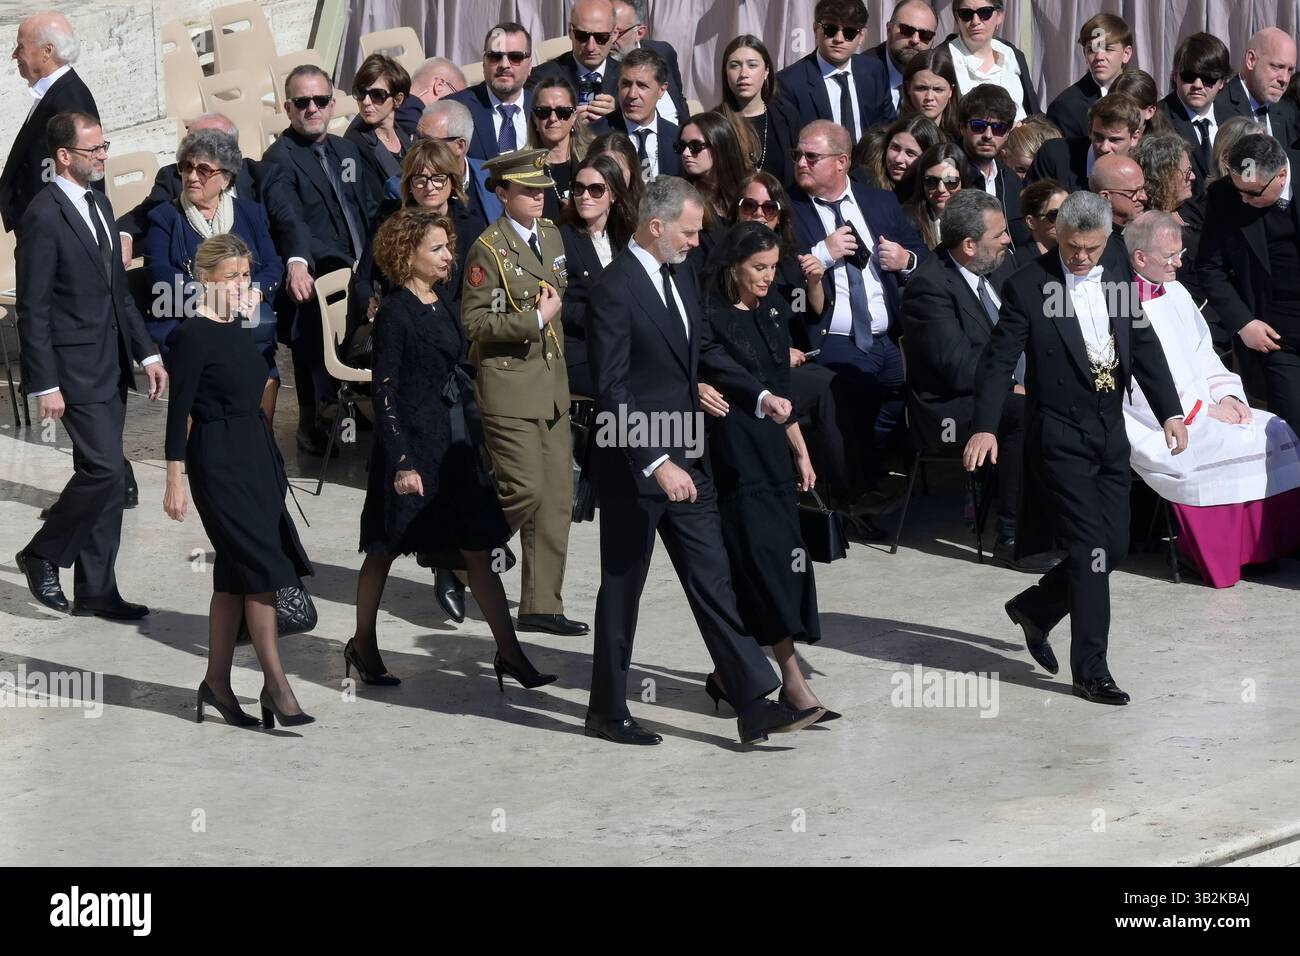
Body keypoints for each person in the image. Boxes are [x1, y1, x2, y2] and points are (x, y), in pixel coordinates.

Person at [585, 174, 825, 745]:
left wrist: (759, 396)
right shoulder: (613, 287)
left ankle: (751, 701)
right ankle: (606, 708)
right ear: (657, 225)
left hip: (689, 454)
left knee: (713, 580)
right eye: (690, 232)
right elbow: (612, 388)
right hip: (636, 462)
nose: (698, 242)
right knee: (624, 586)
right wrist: (654, 462)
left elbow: (705, 351)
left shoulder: (682, 277)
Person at [964, 191, 1188, 706]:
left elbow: (1143, 341)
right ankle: (1091, 669)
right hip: (1059, 436)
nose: (1081, 257)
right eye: (1070, 247)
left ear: (1106, 239)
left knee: (1116, 548)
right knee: (1090, 552)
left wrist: (1169, 411)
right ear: (1055, 236)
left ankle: (1037, 609)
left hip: (1110, 432)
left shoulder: (1115, 272)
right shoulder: (1027, 285)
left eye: (1090, 247)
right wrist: (985, 426)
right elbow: (997, 362)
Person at [350, 208, 557, 689]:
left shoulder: (440, 300)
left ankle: (510, 654)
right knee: (385, 549)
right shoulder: (396, 311)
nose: (449, 256)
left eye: (448, 247)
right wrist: (401, 460)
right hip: (413, 446)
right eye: (437, 249)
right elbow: (384, 390)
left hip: (452, 443)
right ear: (408, 255)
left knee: (478, 549)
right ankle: (363, 644)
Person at [14, 111, 167, 619]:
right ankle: (41, 553)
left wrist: (146, 352)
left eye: (105, 146)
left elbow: (118, 292)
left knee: (100, 476)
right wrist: (44, 385)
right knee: (105, 473)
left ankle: (98, 590)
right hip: (72, 369)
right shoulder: (42, 214)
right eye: (93, 150)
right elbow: (32, 308)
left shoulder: (100, 203)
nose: (104, 156)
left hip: (111, 364)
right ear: (64, 156)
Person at [162, 234, 314, 729]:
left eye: (246, 275)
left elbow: (257, 386)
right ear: (204, 279)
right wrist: (175, 479)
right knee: (262, 571)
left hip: (257, 458)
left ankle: (217, 684)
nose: (242, 284)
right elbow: (177, 412)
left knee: (232, 577)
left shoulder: (240, 329)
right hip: (218, 463)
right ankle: (277, 686)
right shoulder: (190, 337)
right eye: (231, 276)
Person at [698, 222, 837, 718]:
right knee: (762, 565)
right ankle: (792, 682)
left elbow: (780, 386)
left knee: (781, 562)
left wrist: (799, 446)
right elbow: (706, 369)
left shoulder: (777, 308)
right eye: (758, 267)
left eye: (773, 267)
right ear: (734, 266)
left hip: (774, 455)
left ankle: (726, 676)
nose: (767, 276)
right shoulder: (708, 314)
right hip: (732, 456)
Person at [1122, 210, 1300, 588]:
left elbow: (1205, 355)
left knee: (1275, 429)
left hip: (1208, 404)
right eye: (1170, 257)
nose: (1180, 262)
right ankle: (1213, 555)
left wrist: (1230, 396)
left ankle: (1262, 548)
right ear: (1140, 258)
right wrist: (1202, 410)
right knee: (1224, 443)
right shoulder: (1120, 303)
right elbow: (1136, 384)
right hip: (1161, 419)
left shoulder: (1177, 291)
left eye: (1180, 253)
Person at [460, 148, 588, 637]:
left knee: (557, 498)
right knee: (524, 489)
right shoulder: (487, 250)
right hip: (510, 387)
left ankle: (540, 604)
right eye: (527, 191)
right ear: (502, 194)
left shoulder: (552, 236)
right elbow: (475, 322)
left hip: (552, 386)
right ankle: (458, 554)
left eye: (542, 190)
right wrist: (534, 319)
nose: (538, 198)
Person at [901, 190, 1056, 573]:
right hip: (950, 409)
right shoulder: (930, 287)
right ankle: (1012, 536)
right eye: (999, 234)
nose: (1009, 240)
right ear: (969, 245)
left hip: (1005, 388)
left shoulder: (999, 268)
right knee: (1021, 412)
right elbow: (956, 366)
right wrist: (1012, 386)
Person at [790, 120, 927, 523]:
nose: (801, 162)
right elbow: (775, 273)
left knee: (904, 399)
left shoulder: (879, 202)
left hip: (887, 337)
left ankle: (870, 475)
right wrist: (824, 252)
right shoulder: (788, 209)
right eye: (798, 154)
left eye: (811, 156)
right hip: (831, 335)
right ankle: (855, 492)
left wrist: (906, 261)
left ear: (841, 162)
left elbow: (923, 254)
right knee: (849, 400)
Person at [262, 65, 380, 457]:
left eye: (321, 100)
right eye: (302, 102)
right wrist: (329, 260)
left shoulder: (347, 150)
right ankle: (312, 419)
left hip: (363, 263)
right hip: (320, 268)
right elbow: (288, 220)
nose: (312, 109)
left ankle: (361, 406)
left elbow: (366, 208)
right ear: (288, 107)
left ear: (332, 104)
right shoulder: (278, 158)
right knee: (312, 343)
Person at [140, 129, 283, 425]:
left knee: (264, 368)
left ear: (227, 178)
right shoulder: (165, 217)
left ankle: (258, 442)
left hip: (244, 321)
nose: (192, 176)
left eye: (203, 169)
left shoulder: (250, 213)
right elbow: (161, 277)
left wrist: (256, 293)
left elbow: (272, 265)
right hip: (190, 320)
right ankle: (202, 452)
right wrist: (214, 302)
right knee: (207, 372)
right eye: (186, 167)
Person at [731, 171, 856, 506]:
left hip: (788, 364)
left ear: (780, 216)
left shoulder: (786, 261)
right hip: (748, 373)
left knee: (836, 384)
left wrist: (814, 282)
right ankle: (841, 498)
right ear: (737, 210)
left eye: (769, 208)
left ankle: (837, 491)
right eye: (750, 206)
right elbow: (726, 329)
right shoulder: (726, 260)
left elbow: (811, 314)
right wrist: (776, 353)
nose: (758, 214)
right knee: (824, 389)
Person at [1197, 134, 1300, 431]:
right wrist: (1243, 323)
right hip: (1275, 337)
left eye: (1253, 193)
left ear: (1281, 175)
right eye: (1238, 188)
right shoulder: (1224, 196)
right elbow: (1208, 267)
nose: (1243, 198)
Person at [116, 113, 307, 272]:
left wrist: (297, 262)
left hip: (252, 285)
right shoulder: (175, 176)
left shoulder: (262, 175)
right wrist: (124, 234)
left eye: (203, 145)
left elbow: (288, 223)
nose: (192, 175)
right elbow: (147, 211)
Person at [0, 12, 98, 234]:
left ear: (47, 51)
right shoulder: (53, 92)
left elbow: (79, 173)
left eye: (20, 47)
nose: (14, 55)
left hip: (53, 234)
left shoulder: (69, 100)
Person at [560, 153, 636, 398]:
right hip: (583, 349)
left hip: (628, 346)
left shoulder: (628, 238)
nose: (584, 196)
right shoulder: (561, 238)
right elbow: (553, 301)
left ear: (613, 195)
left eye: (595, 190)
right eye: (578, 188)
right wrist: (597, 316)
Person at [775, 0, 895, 146]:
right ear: (815, 29)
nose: (839, 39)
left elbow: (888, 127)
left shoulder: (874, 70)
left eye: (849, 33)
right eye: (830, 30)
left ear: (862, 36)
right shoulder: (789, 83)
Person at [714, 34, 801, 188]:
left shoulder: (787, 116)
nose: (743, 74)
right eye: (735, 65)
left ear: (766, 71)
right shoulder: (715, 122)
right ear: (725, 72)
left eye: (752, 65)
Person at [416, 99, 504, 247]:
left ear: (460, 146)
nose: (419, 148)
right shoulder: (404, 186)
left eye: (428, 141)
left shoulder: (492, 178)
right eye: (417, 138)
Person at [1158, 33, 1234, 193]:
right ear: (1175, 75)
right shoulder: (1157, 119)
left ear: (1222, 82)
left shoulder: (1233, 118)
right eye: (1189, 76)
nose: (1198, 85)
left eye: (1209, 78)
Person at [528, 0, 621, 129]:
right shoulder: (542, 77)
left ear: (615, 34)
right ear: (570, 31)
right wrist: (565, 121)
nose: (591, 47)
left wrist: (619, 116)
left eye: (601, 37)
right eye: (582, 36)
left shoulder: (627, 80)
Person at [448, 22, 534, 161]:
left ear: (530, 65)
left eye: (515, 57)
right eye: (495, 56)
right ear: (484, 62)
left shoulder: (545, 109)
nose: (504, 65)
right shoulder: (453, 108)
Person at [957, 83, 1028, 248]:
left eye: (998, 128)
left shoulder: (1011, 180)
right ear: (962, 127)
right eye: (979, 126)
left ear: (1008, 132)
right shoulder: (949, 175)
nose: (988, 135)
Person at [1027, 92, 1142, 192]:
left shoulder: (1145, 169)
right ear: (1090, 130)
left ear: (1134, 138)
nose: (1104, 148)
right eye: (1099, 137)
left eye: (1115, 140)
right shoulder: (1055, 157)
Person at [943, 0, 1037, 121]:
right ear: (957, 17)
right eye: (966, 13)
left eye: (984, 13)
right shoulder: (945, 57)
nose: (975, 21)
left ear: (999, 16)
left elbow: (1032, 109)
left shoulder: (1011, 54)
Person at [1045, 13, 1134, 140]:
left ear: (1126, 54)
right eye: (1091, 50)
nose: (1099, 57)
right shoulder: (1066, 107)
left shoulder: (1140, 95)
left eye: (1107, 49)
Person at [603, 47, 680, 180]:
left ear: (662, 90)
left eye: (642, 86)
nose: (632, 94)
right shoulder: (597, 134)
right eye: (626, 84)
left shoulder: (677, 138)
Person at [608, 0, 690, 125]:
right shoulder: (599, 67)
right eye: (606, 32)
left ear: (639, 33)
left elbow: (679, 99)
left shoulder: (663, 52)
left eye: (618, 33)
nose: (611, 39)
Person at [345, 54, 413, 202]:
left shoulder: (403, 132)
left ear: (398, 99)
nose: (366, 102)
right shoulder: (353, 144)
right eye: (361, 93)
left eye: (377, 95)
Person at [1217, 28, 1299, 148]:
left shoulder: (1288, 112)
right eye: (1277, 67)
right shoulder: (1218, 107)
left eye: (1290, 70)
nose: (1285, 79)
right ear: (1251, 60)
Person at [676, 111, 748, 245]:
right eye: (681, 146)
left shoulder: (748, 193)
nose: (686, 153)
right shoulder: (681, 199)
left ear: (719, 145)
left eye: (695, 146)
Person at [527, 75, 591, 220]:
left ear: (574, 117)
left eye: (563, 112)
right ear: (534, 118)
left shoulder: (593, 159)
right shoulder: (525, 169)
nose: (553, 119)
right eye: (543, 112)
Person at [863, 0, 938, 113]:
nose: (915, 40)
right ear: (889, 29)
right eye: (906, 30)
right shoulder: (862, 73)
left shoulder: (939, 75)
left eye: (925, 35)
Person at [901, 142, 974, 249]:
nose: (941, 189)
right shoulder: (907, 220)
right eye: (931, 181)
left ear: (964, 181)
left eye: (950, 180)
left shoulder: (979, 215)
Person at [855, 114, 943, 192]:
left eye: (910, 153)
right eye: (895, 148)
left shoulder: (937, 190)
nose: (898, 159)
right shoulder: (864, 181)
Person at [898, 47, 962, 143]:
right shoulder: (893, 138)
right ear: (908, 88)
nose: (929, 97)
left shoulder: (962, 141)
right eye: (921, 88)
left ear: (951, 91)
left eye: (938, 89)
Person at [1089, 153, 1148, 233]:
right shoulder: (1097, 242)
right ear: (1105, 197)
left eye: (1143, 188)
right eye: (1135, 191)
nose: (1144, 197)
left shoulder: (1152, 230)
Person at [586, 129, 645, 209]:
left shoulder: (646, 212)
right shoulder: (582, 210)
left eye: (618, 171)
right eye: (603, 170)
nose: (611, 178)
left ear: (632, 171)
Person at [1110, 70, 1174, 141]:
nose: (1119, 115)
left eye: (1128, 110)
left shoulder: (1166, 149)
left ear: (1149, 111)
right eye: (1114, 108)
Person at [1015, 178, 1066, 258]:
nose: (1066, 221)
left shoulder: (1075, 260)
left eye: (1070, 211)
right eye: (1055, 215)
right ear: (1031, 222)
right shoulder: (1019, 264)